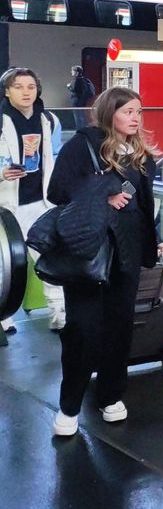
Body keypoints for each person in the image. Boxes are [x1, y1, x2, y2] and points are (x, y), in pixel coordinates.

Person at [48, 87, 163, 437]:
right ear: (109, 111)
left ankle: (111, 395)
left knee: (119, 328)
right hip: (87, 251)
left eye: (139, 111)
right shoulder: (81, 146)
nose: (135, 117)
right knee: (83, 330)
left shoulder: (141, 155)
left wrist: (153, 240)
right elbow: (57, 191)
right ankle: (70, 405)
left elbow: (145, 203)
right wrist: (104, 193)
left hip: (125, 253)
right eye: (128, 110)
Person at [0, 67, 65, 335]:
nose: (26, 92)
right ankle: (3, 317)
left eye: (31, 86)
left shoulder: (48, 120)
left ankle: (59, 313)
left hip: (41, 203)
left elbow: (57, 156)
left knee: (52, 257)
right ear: (6, 91)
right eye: (18, 87)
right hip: (5, 206)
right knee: (4, 264)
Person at [66, 65, 95, 130]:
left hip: (77, 103)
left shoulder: (78, 80)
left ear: (77, 72)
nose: (71, 72)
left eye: (72, 71)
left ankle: (80, 131)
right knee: (82, 117)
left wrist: (69, 87)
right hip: (83, 103)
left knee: (78, 118)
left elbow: (77, 91)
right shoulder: (85, 80)